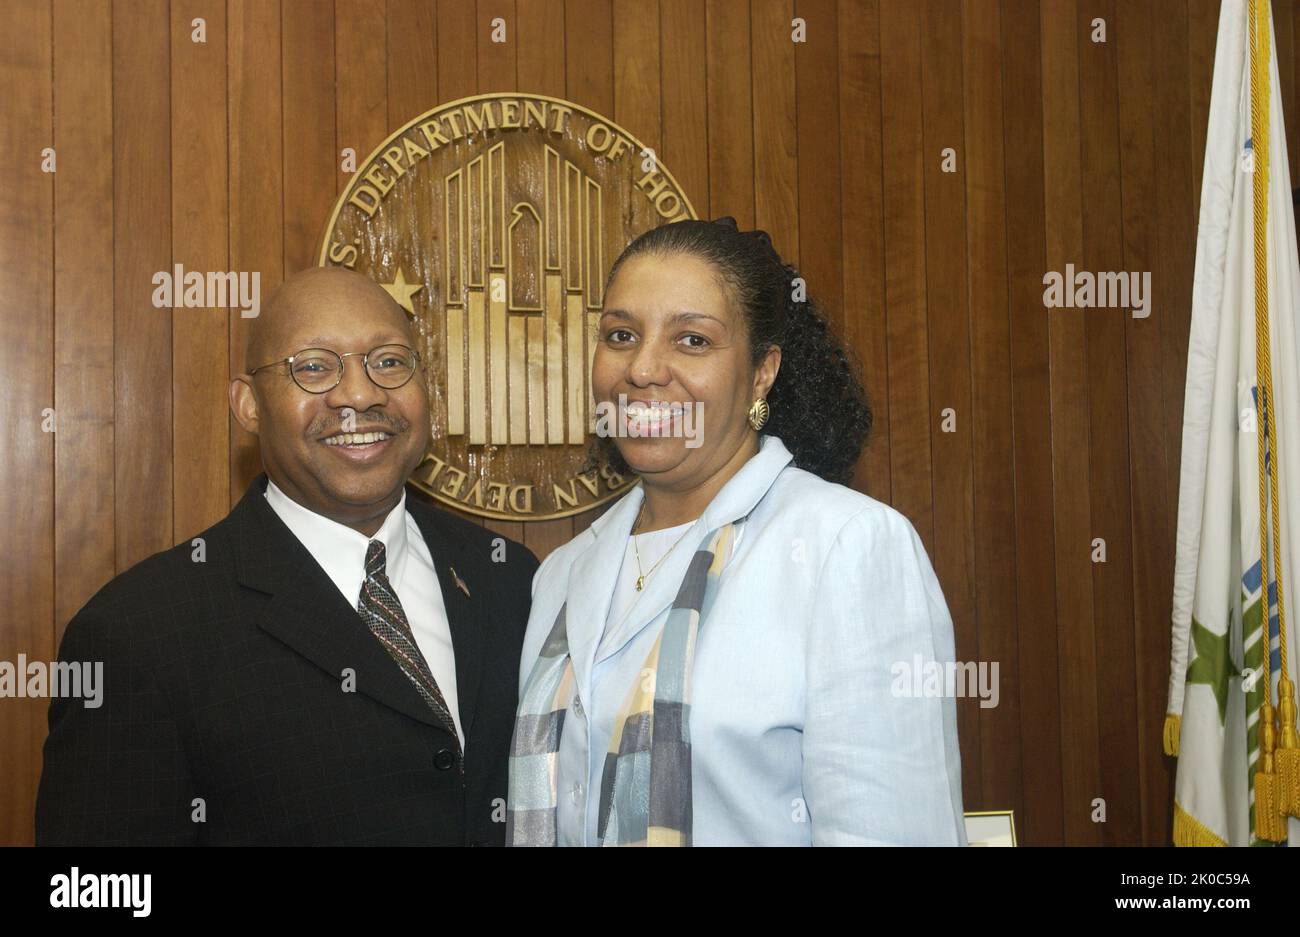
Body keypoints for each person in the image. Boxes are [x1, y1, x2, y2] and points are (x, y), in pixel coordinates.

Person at [36, 266, 537, 845]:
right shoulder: (139, 635)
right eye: (315, 367)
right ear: (248, 405)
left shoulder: (506, 577)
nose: (359, 395)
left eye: (390, 361)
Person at [508, 218, 966, 846]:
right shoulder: (562, 573)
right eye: (621, 335)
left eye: (692, 340)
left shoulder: (847, 546)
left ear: (761, 373)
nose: (642, 369)